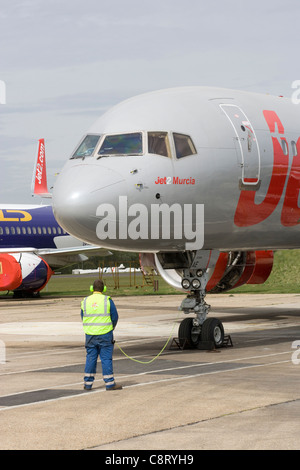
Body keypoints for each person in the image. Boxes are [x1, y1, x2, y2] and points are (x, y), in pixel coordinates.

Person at [80, 279, 122, 391]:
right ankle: (109, 383)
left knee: (90, 358)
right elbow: (115, 316)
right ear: (104, 289)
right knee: (106, 359)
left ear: (91, 288)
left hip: (90, 335)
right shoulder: (107, 300)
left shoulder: (85, 301)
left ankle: (87, 384)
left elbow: (82, 316)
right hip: (105, 334)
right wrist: (110, 327)